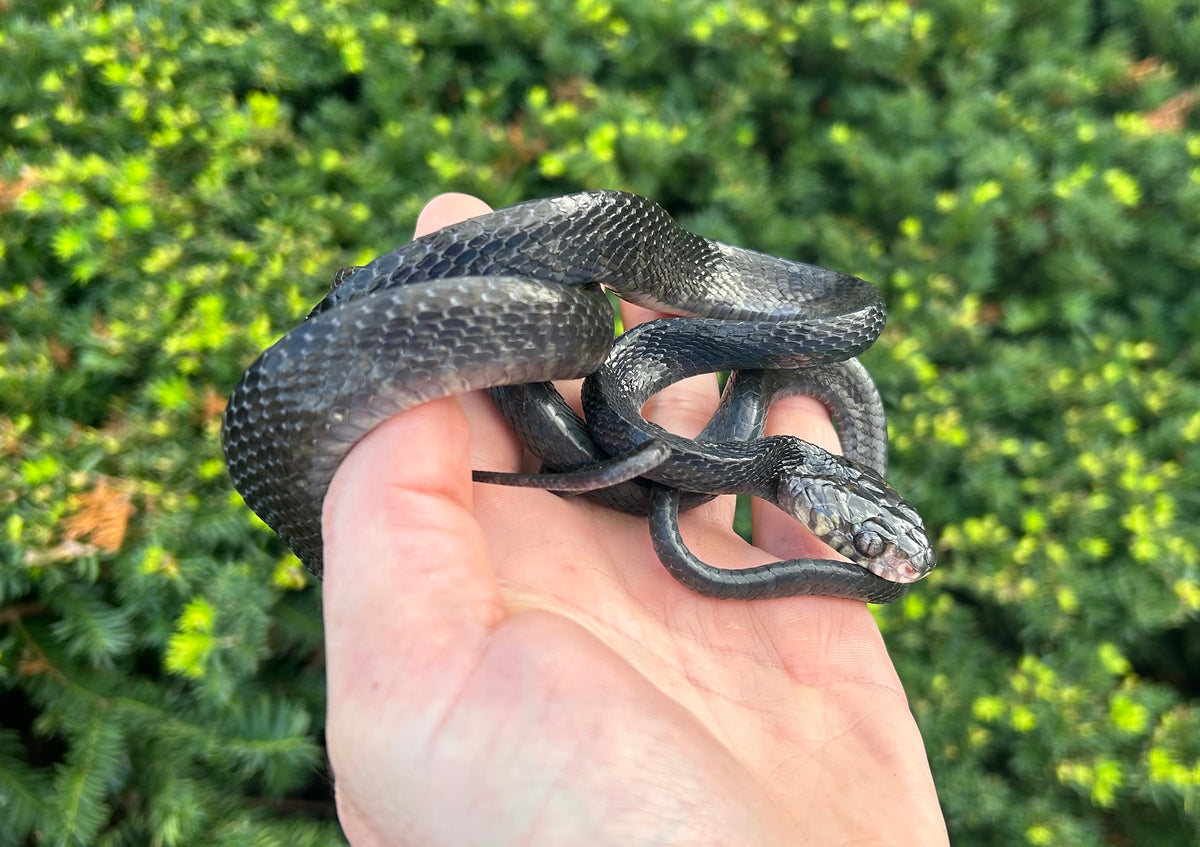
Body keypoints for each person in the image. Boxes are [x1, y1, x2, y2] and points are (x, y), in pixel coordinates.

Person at [321, 193, 949, 846]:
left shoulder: (784, 407)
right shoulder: (748, 419)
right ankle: (384, 296)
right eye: (873, 541)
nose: (890, 564)